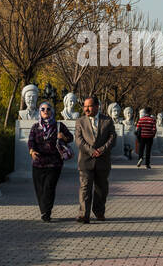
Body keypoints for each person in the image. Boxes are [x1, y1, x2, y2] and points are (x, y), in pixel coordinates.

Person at [27, 99, 74, 221]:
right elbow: (31, 141)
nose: (45, 111)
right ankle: (44, 210)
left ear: (52, 111)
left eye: (48, 109)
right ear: (40, 112)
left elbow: (71, 138)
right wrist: (32, 151)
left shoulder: (59, 126)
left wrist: (63, 137)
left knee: (49, 187)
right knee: (39, 189)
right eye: (43, 109)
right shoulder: (35, 127)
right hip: (38, 162)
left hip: (54, 163)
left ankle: (46, 213)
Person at [75, 95, 116, 223]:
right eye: (85, 106)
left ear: (97, 106)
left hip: (102, 160)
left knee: (101, 188)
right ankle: (84, 214)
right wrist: (91, 151)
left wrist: (102, 150)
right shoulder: (80, 121)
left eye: (90, 106)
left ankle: (99, 212)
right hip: (86, 160)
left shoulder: (107, 121)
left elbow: (112, 138)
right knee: (85, 187)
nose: (86, 109)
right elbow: (79, 140)